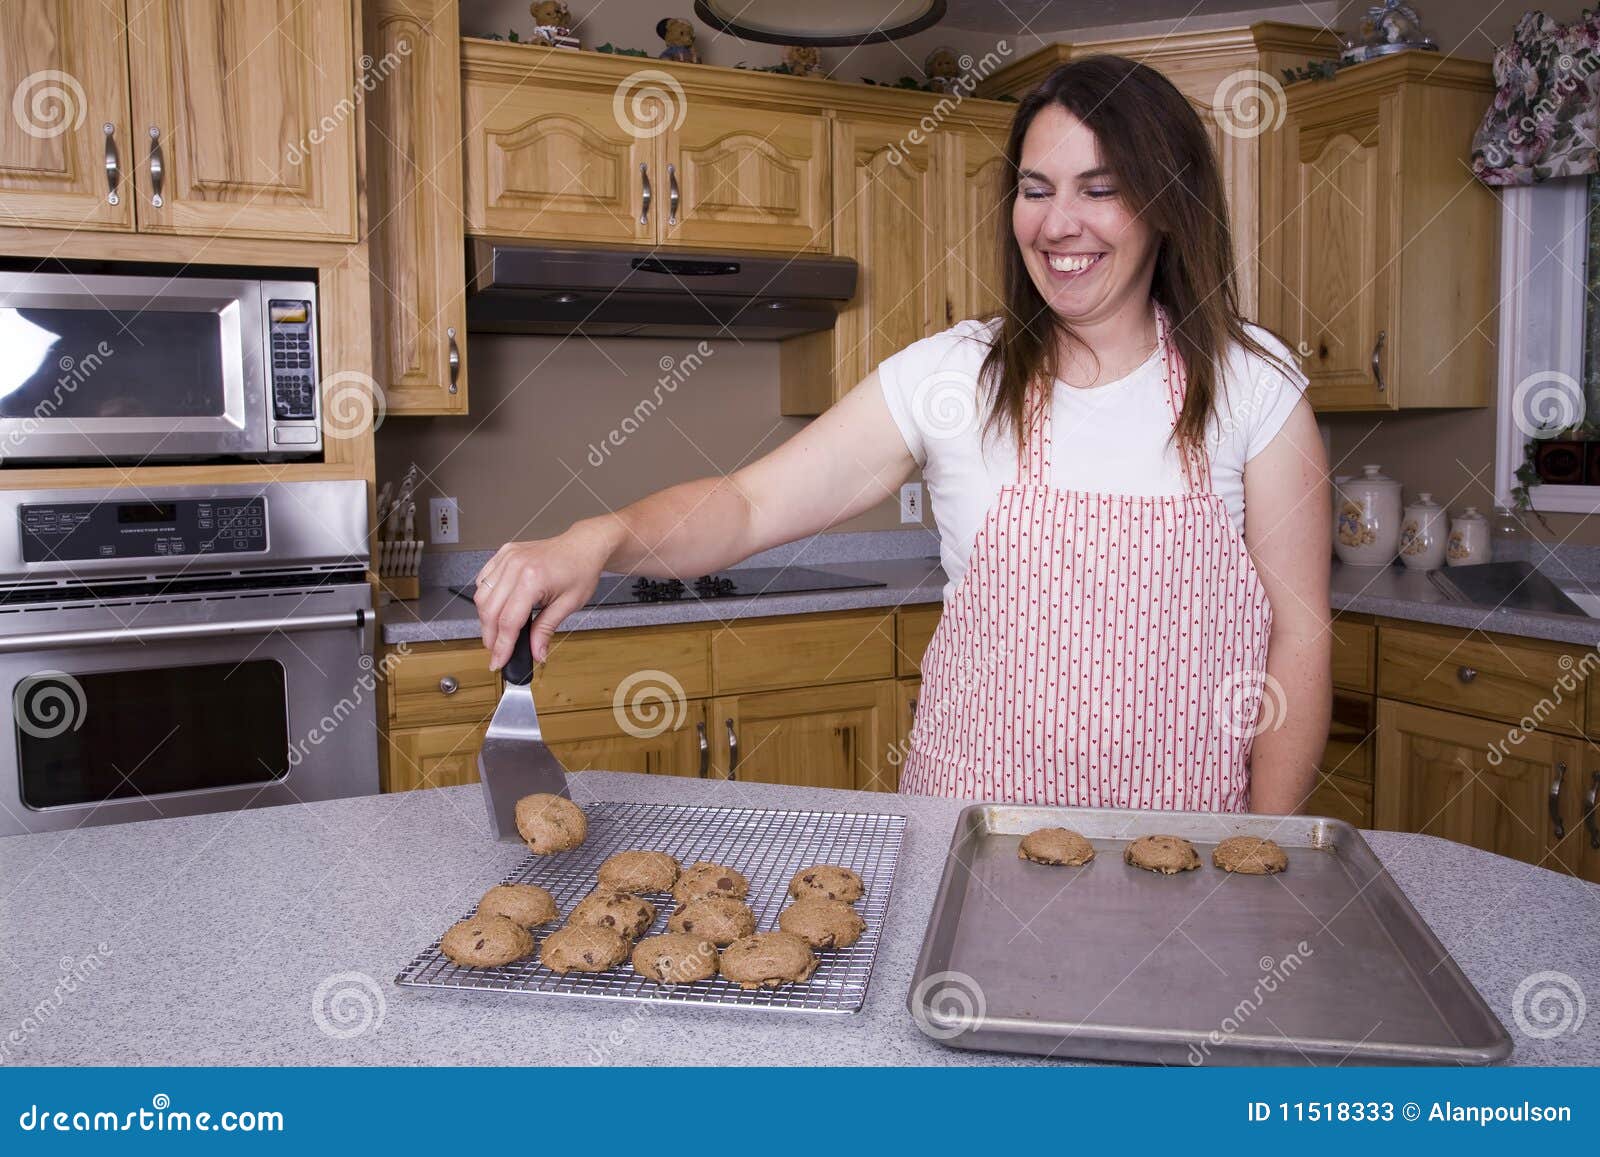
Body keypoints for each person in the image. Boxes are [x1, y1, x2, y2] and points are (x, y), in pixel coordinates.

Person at [472, 55, 1332, 814]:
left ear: (1168, 204)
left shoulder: (1253, 387)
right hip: (968, 847)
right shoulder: (953, 377)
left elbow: (1299, 638)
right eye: (1036, 190)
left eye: (1099, 189)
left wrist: (1262, 853)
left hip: (1184, 848)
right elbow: (744, 506)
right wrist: (599, 537)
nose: (1057, 223)